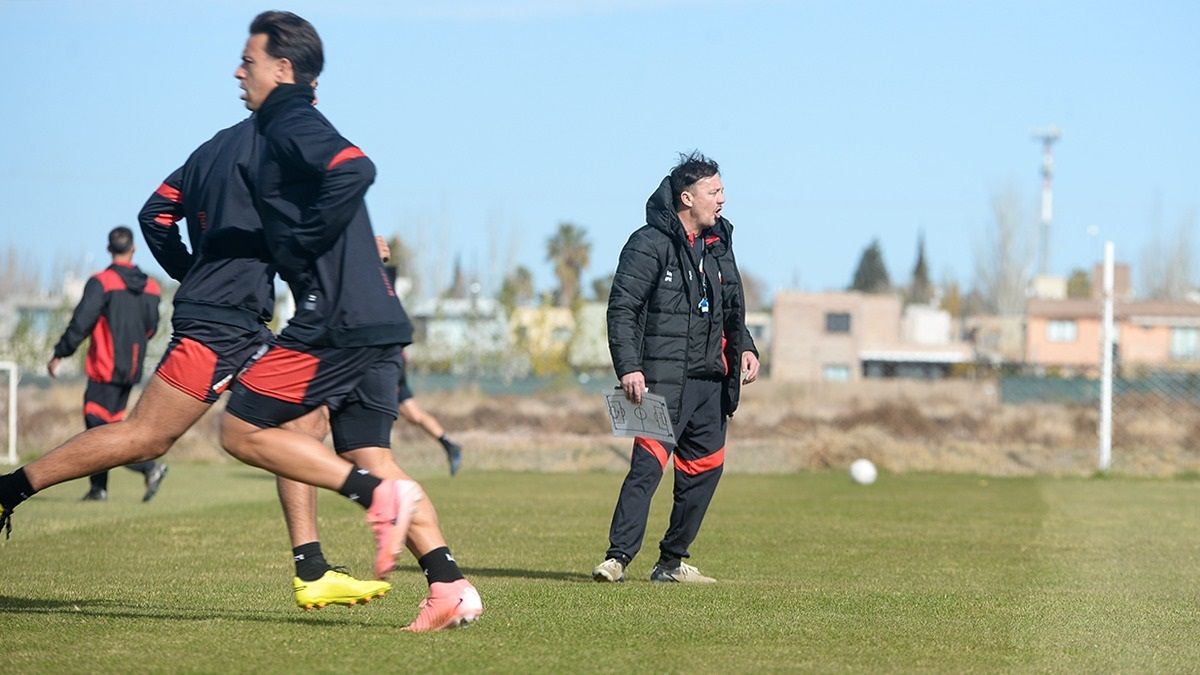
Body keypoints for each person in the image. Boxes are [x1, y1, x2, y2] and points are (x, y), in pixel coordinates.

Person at [0, 75, 391, 612]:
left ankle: (314, 568)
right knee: (145, 437)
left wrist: (194, 271)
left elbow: (154, 215)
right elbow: (308, 222)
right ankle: (8, 491)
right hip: (221, 324)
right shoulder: (279, 148)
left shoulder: (213, 147)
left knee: (297, 420)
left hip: (232, 318)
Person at [218, 11, 481, 631]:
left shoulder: (289, 117)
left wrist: (305, 241)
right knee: (373, 454)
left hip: (334, 321)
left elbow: (356, 167)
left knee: (242, 428)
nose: (238, 70)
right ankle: (449, 586)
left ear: (283, 70)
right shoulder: (285, 121)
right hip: (373, 324)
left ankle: (365, 506)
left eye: (248, 61)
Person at [592, 152, 760, 584]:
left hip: (711, 384)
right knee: (646, 469)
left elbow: (732, 308)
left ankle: (670, 563)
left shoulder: (721, 243)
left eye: (722, 190)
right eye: (714, 191)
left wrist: (746, 347)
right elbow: (622, 308)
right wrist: (628, 366)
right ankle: (617, 558)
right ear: (687, 197)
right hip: (660, 380)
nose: (722, 199)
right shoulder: (648, 243)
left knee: (704, 473)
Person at [47, 227, 169, 503]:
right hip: (132, 367)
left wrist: (60, 352)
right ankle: (99, 488)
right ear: (134, 249)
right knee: (110, 428)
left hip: (105, 367)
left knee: (98, 429)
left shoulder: (102, 282)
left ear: (108, 249)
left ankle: (148, 469)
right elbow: (152, 327)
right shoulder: (151, 286)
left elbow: (82, 322)